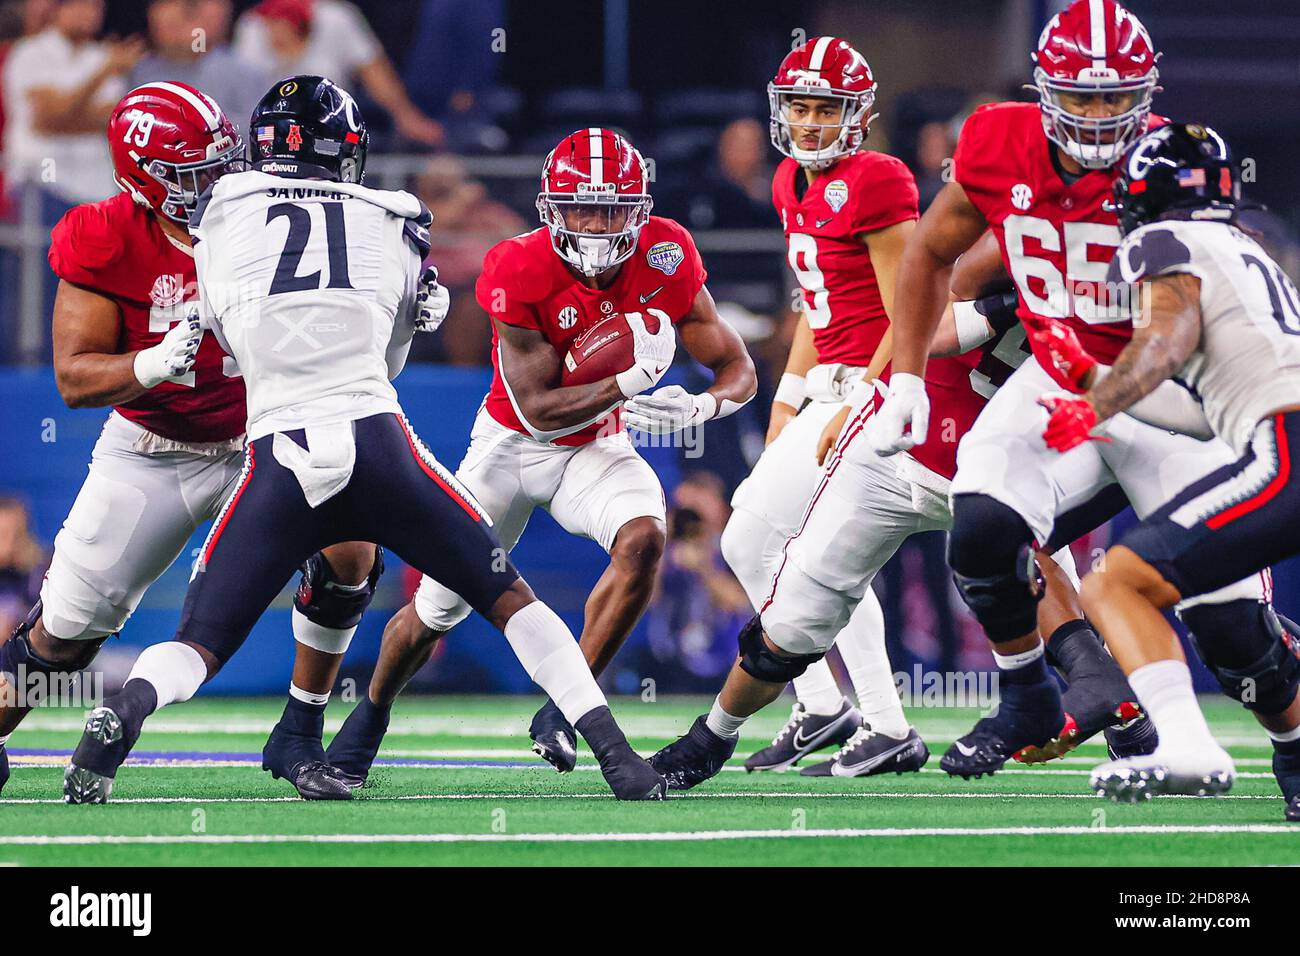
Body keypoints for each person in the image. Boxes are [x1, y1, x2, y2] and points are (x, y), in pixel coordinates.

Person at [62, 76, 665, 804]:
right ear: (348, 153)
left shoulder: (219, 216)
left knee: (199, 641)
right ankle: (616, 754)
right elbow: (389, 363)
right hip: (379, 446)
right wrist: (406, 309)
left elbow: (231, 339)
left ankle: (129, 708)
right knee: (510, 598)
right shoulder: (397, 218)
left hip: (279, 453)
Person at [648, 37, 1153, 787]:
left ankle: (1099, 700)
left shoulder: (1117, 202)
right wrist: (805, 399)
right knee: (836, 563)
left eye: (827, 109)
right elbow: (870, 304)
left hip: (987, 400)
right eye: (802, 108)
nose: (812, 123)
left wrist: (892, 382)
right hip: (912, 397)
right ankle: (787, 723)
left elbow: (922, 306)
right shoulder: (818, 186)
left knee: (1021, 544)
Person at [869, 0, 1289, 780]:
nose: (1099, 118)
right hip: (1058, 379)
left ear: (1147, 93)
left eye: (1116, 97)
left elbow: (1181, 319)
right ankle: (1030, 694)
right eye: (1083, 97)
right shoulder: (997, 140)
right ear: (1043, 90)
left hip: (1166, 399)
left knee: (1232, 633)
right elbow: (930, 253)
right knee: (983, 525)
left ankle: (1274, 720)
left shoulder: (1167, 166)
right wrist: (903, 376)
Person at [320, 127, 757, 785]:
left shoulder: (666, 252)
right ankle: (371, 714)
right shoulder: (517, 262)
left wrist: (700, 408)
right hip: (510, 447)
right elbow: (535, 406)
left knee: (644, 541)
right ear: (553, 206)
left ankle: (563, 705)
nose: (596, 223)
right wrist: (629, 380)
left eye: (612, 208)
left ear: (638, 209)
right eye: (582, 206)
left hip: (598, 447)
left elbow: (737, 366)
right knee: (436, 610)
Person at [0, 82, 389, 800]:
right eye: (191, 174)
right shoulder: (106, 234)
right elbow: (75, 379)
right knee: (69, 632)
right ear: (141, 178)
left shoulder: (266, 209)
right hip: (156, 444)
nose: (214, 183)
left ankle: (299, 732)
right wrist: (150, 363)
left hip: (265, 435)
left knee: (352, 553)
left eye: (221, 163)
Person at [1035, 123, 1300, 819]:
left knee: (1116, 582)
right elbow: (1205, 412)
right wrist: (1096, 382)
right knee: (1210, 613)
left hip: (1289, 445)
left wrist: (1096, 397)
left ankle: (1185, 745)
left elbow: (1162, 343)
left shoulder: (1162, 242)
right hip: (1273, 435)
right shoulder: (1243, 248)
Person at [234, 0, 442, 147]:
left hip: (329, 132)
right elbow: (242, 90)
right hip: (271, 135)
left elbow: (374, 72)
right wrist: (282, 57)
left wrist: (406, 116)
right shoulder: (253, 25)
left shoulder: (337, 17)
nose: (275, 22)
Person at [1, 0, 142, 207]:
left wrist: (64, 113)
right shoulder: (29, 52)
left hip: (97, 187)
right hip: (42, 182)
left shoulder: (103, 56)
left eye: (96, 7)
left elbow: (110, 121)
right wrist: (101, 75)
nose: (89, 13)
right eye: (80, 5)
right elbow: (47, 121)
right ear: (57, 9)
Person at [129, 0, 271, 132]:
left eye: (177, 24)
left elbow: (260, 131)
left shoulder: (244, 74)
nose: (174, 33)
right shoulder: (139, 71)